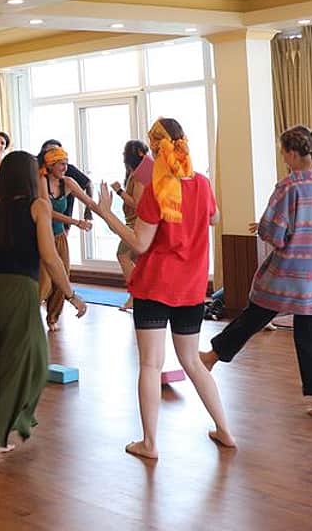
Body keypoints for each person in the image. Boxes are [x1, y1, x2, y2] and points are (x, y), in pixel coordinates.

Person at [89, 119, 234, 459]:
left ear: (156, 151)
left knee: (151, 366)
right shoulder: (202, 183)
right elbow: (213, 218)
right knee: (193, 362)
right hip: (192, 288)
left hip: (155, 286)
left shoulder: (158, 190)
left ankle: (150, 443)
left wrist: (107, 213)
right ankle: (225, 430)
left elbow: (139, 243)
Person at [200, 126, 312, 423]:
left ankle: (211, 357)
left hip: (293, 273)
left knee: (255, 315)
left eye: (284, 151)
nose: (283, 157)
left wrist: (264, 227)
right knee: (309, 336)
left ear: (293, 153)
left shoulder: (290, 187)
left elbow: (274, 233)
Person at [0, 150, 88, 464]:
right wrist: (71, 294)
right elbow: (50, 257)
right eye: (37, 173)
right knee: (33, 361)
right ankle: (1, 431)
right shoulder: (38, 207)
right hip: (19, 289)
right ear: (27, 176)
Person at [37, 146, 94, 331]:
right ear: (51, 164)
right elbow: (49, 212)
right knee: (45, 282)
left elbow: (88, 201)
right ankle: (30, 313)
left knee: (62, 278)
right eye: (62, 164)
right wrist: (76, 222)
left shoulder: (68, 182)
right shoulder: (42, 181)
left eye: (66, 163)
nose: (65, 167)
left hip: (60, 237)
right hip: (43, 237)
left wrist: (104, 213)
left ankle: (52, 318)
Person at [109, 140, 152, 312]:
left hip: (136, 223)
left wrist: (120, 191)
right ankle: (142, 293)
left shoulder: (139, 177)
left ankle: (135, 295)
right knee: (137, 260)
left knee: (123, 255)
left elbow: (137, 203)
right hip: (132, 221)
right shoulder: (136, 174)